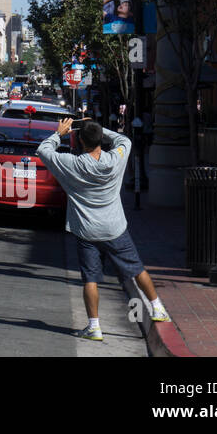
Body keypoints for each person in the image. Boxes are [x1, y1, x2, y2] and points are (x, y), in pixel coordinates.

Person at [37, 117, 170, 340]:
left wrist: (59, 133)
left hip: (86, 230)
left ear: (80, 141)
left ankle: (94, 326)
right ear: (101, 139)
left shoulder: (72, 163)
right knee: (136, 268)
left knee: (90, 278)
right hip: (115, 227)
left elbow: (43, 150)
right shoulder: (116, 158)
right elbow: (123, 139)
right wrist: (97, 127)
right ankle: (158, 308)